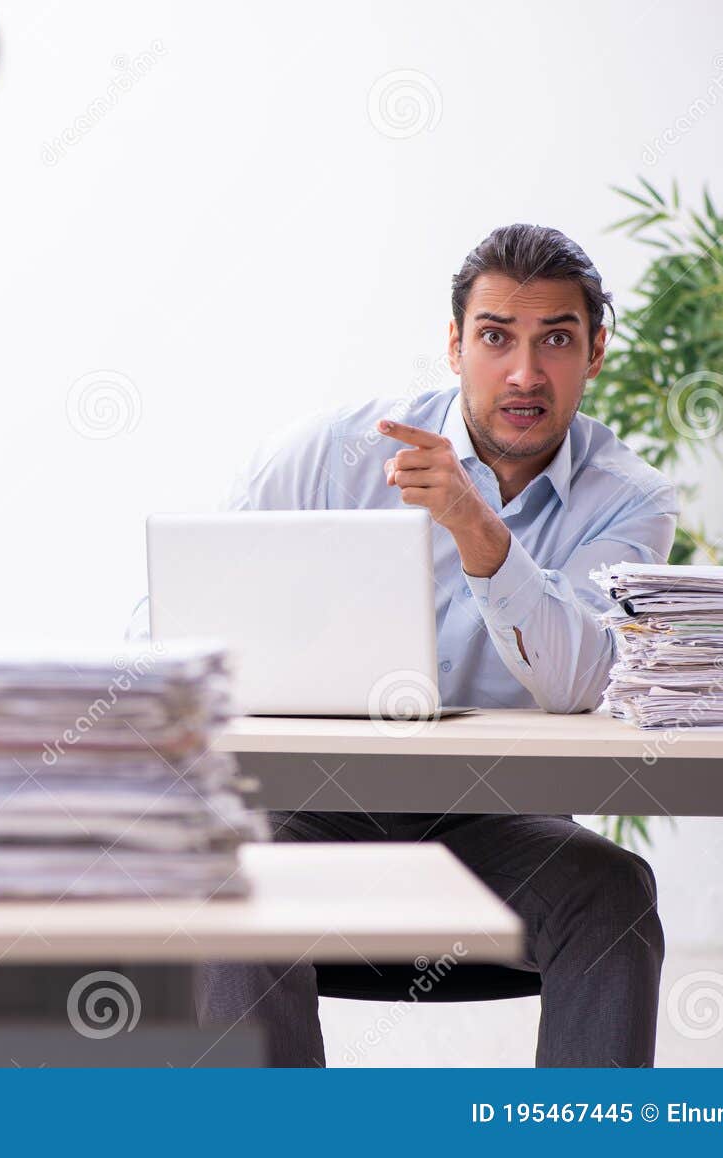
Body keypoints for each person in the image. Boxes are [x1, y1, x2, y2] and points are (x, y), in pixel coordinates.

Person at [198, 223, 677, 1066]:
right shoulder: (329, 457)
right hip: (317, 815)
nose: (525, 373)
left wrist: (476, 527)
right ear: (455, 345)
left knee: (616, 891)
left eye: (556, 340)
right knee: (226, 882)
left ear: (595, 352)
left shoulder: (629, 503)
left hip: (504, 828)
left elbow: (583, 680)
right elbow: (175, 627)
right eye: (497, 337)